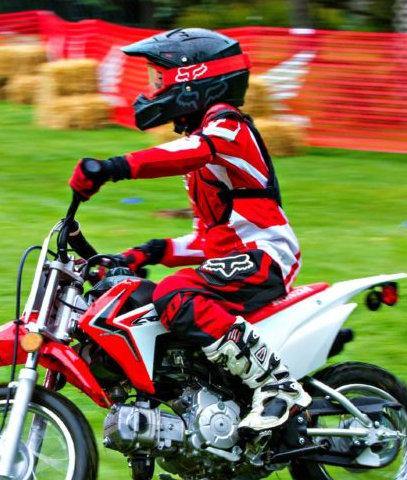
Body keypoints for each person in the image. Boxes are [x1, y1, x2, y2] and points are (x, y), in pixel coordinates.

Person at [68, 28, 311, 431]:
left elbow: (189, 153)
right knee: (140, 299)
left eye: (159, 79)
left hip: (265, 256)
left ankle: (277, 386)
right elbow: (206, 239)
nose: (153, 89)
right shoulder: (206, 147)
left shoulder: (227, 127)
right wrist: (145, 252)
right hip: (235, 258)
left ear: (194, 79)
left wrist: (112, 168)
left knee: (175, 292)